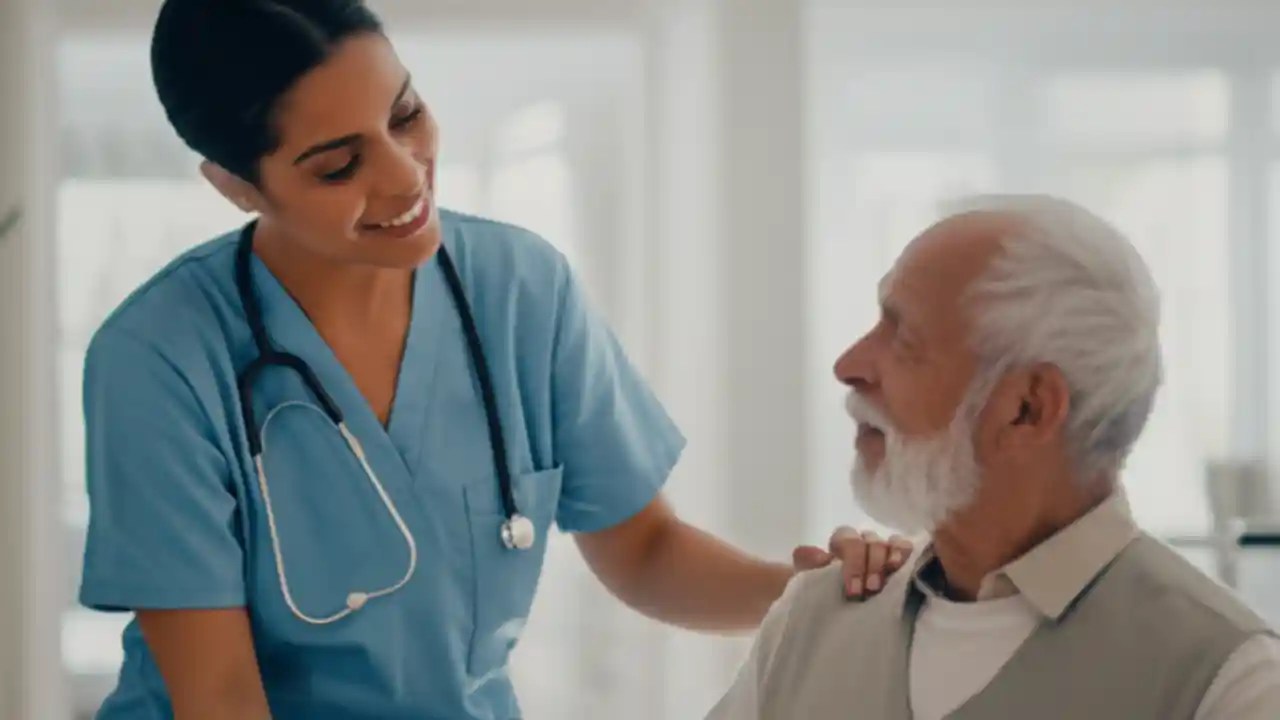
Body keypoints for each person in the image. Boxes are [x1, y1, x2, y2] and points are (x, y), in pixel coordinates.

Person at [76, 2, 912, 718]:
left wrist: (813, 596)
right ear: (237, 186)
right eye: (339, 166)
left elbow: (645, 551)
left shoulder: (519, 290)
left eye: (406, 115)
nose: (405, 177)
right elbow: (220, 696)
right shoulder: (159, 357)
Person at [706, 195, 1280, 720]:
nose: (849, 364)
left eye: (903, 339)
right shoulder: (808, 622)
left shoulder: (1231, 680)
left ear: (1027, 408)